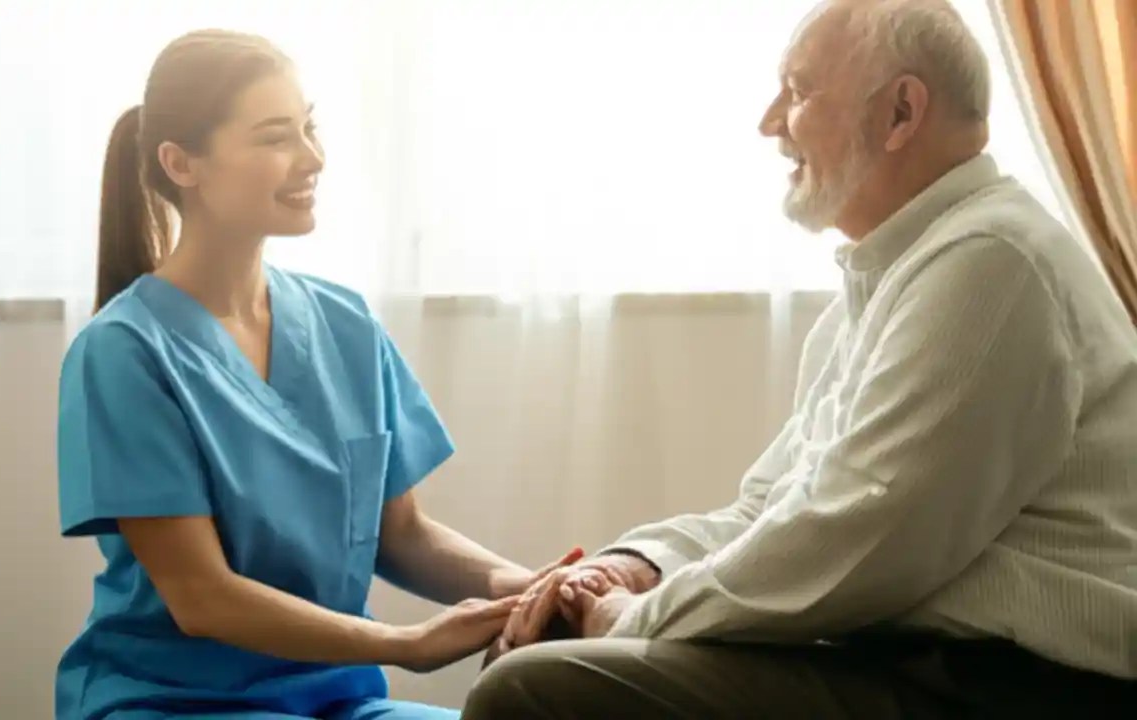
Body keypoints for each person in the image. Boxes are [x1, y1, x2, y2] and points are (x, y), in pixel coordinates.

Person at [464, 0, 1137, 717]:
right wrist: (630, 565)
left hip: (1022, 683)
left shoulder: (991, 263)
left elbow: (854, 538)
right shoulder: (899, 275)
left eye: (798, 90)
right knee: (542, 654)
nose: (769, 122)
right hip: (922, 663)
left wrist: (631, 617)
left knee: (531, 688)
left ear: (901, 112)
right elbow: (771, 510)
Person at [55, 29, 579, 720]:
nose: (312, 158)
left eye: (309, 127)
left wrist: (525, 588)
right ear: (182, 163)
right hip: (173, 703)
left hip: (332, 700)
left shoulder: (344, 323)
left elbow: (403, 535)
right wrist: (405, 644)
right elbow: (201, 596)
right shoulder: (123, 353)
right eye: (275, 137)